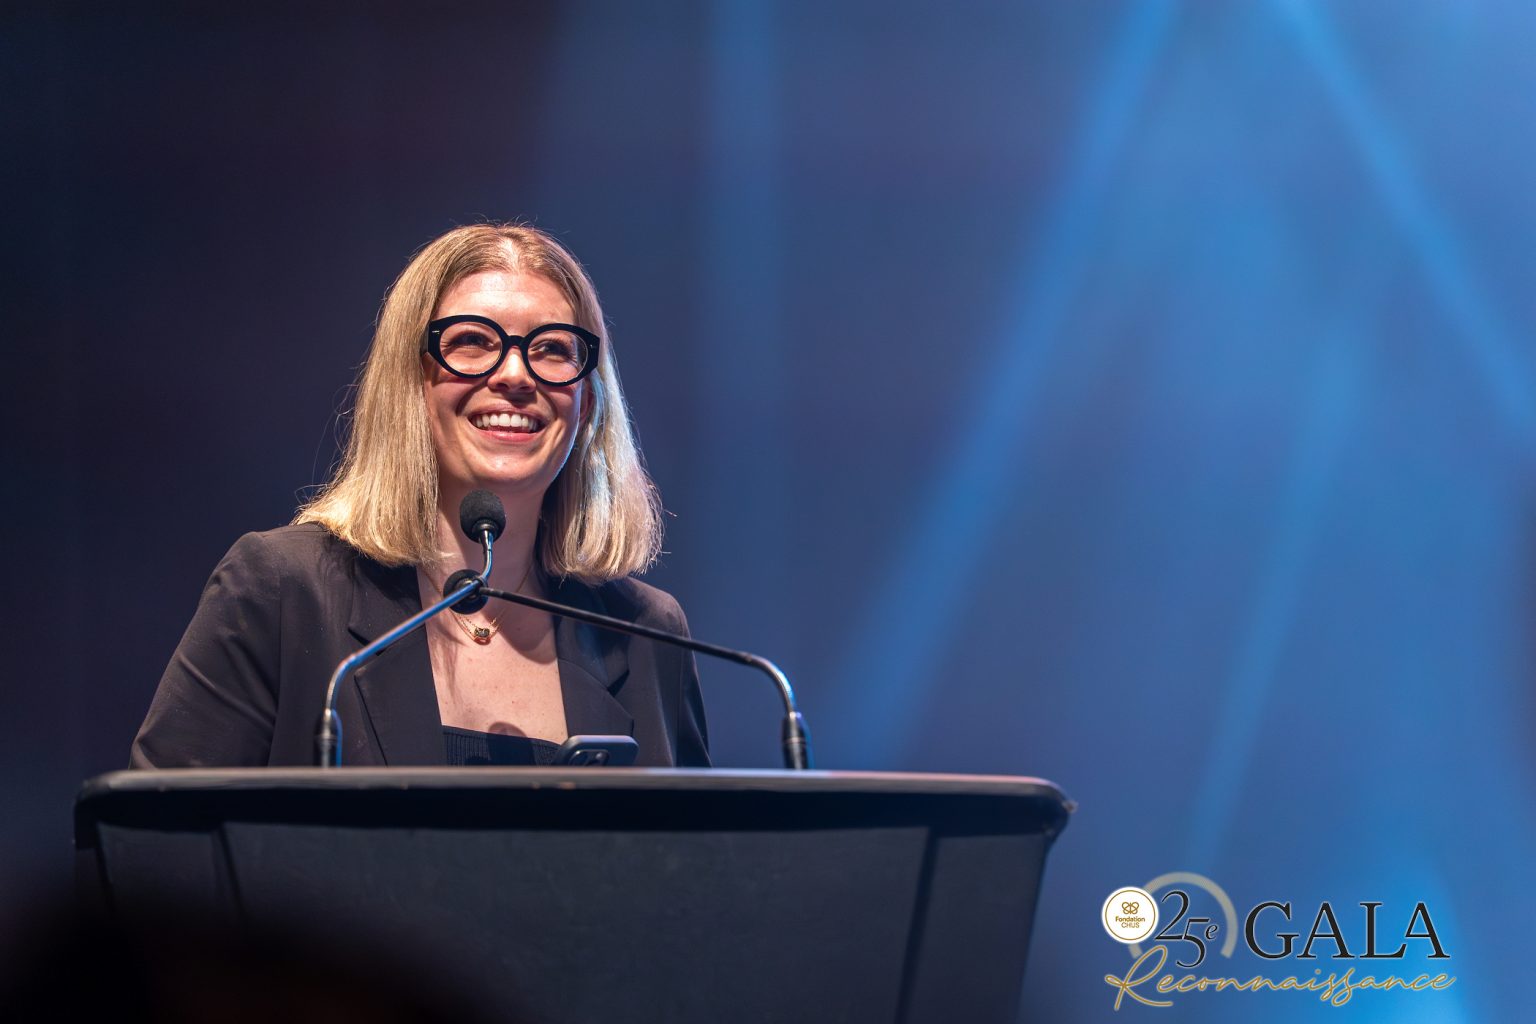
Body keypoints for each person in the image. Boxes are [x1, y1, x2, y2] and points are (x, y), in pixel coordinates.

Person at [132, 223, 709, 768]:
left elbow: (695, 866)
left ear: (586, 402)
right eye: (472, 342)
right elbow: (155, 849)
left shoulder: (644, 633)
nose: (516, 374)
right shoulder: (283, 592)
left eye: (554, 349)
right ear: (410, 383)